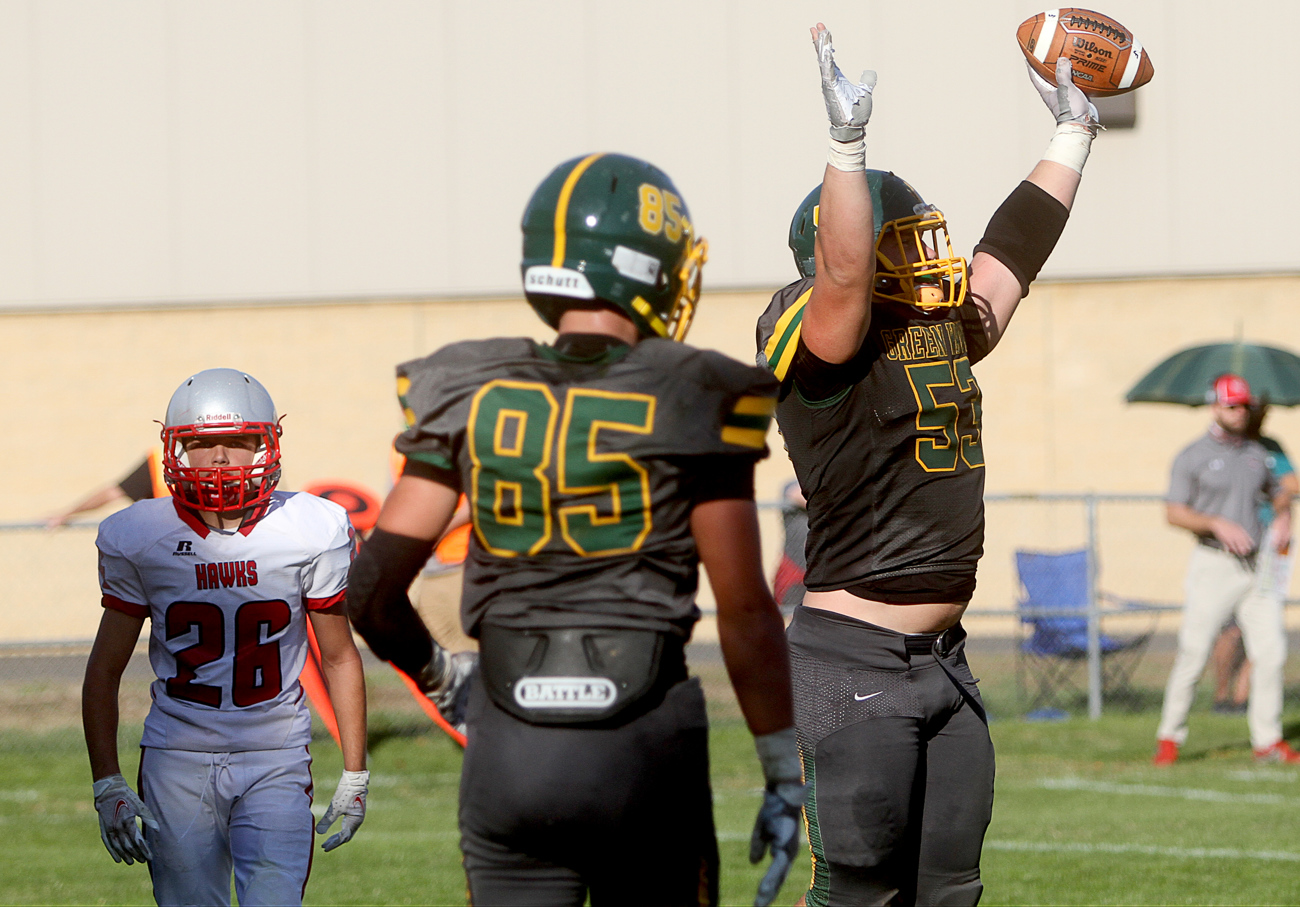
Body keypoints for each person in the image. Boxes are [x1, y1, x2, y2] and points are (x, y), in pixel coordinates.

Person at [347, 152, 805, 907]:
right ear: (646, 265)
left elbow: (370, 590)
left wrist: (441, 674)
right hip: (642, 745)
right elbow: (746, 609)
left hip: (508, 746)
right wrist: (782, 765)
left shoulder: (470, 388)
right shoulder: (692, 390)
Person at [755, 23, 1102, 905]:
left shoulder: (933, 326)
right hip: (852, 660)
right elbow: (839, 279)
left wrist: (1073, 135)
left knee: (950, 891)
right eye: (904, 243)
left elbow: (1009, 257)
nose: (931, 258)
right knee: (860, 893)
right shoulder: (817, 336)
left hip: (944, 659)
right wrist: (847, 146)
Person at [81, 368, 370, 906]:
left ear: (266, 445)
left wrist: (355, 772)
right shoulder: (140, 534)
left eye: (236, 443)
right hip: (177, 755)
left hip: (276, 751)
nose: (219, 460)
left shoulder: (310, 527)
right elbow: (105, 668)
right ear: (175, 451)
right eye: (201, 445)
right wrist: (106, 780)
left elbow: (339, 656)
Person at [1155, 374, 1300, 764]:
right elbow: (1174, 512)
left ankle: (1267, 741)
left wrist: (1284, 510)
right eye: (1232, 405)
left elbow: (1280, 488)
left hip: (1257, 568)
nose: (1240, 412)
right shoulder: (1193, 455)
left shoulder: (1257, 452)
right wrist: (1216, 523)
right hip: (1214, 565)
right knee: (1194, 652)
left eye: (1244, 405)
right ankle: (1170, 737)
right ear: (1215, 406)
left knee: (1271, 651)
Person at [1210, 400, 1299, 714]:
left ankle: (1242, 695)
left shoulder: (1269, 449)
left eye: (1260, 410)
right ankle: (1221, 696)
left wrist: (1280, 501)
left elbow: (1290, 484)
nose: (1254, 416)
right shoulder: (1224, 449)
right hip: (1233, 551)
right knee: (1229, 629)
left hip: (1270, 550)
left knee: (1264, 630)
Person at [46, 448, 168, 527]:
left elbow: (113, 493)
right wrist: (66, 514)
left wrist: (66, 514)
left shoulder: (160, 462)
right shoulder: (158, 464)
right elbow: (113, 493)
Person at [773, 479, 809, 612]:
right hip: (796, 570)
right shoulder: (794, 485)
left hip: (827, 572)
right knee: (794, 617)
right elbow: (796, 494)